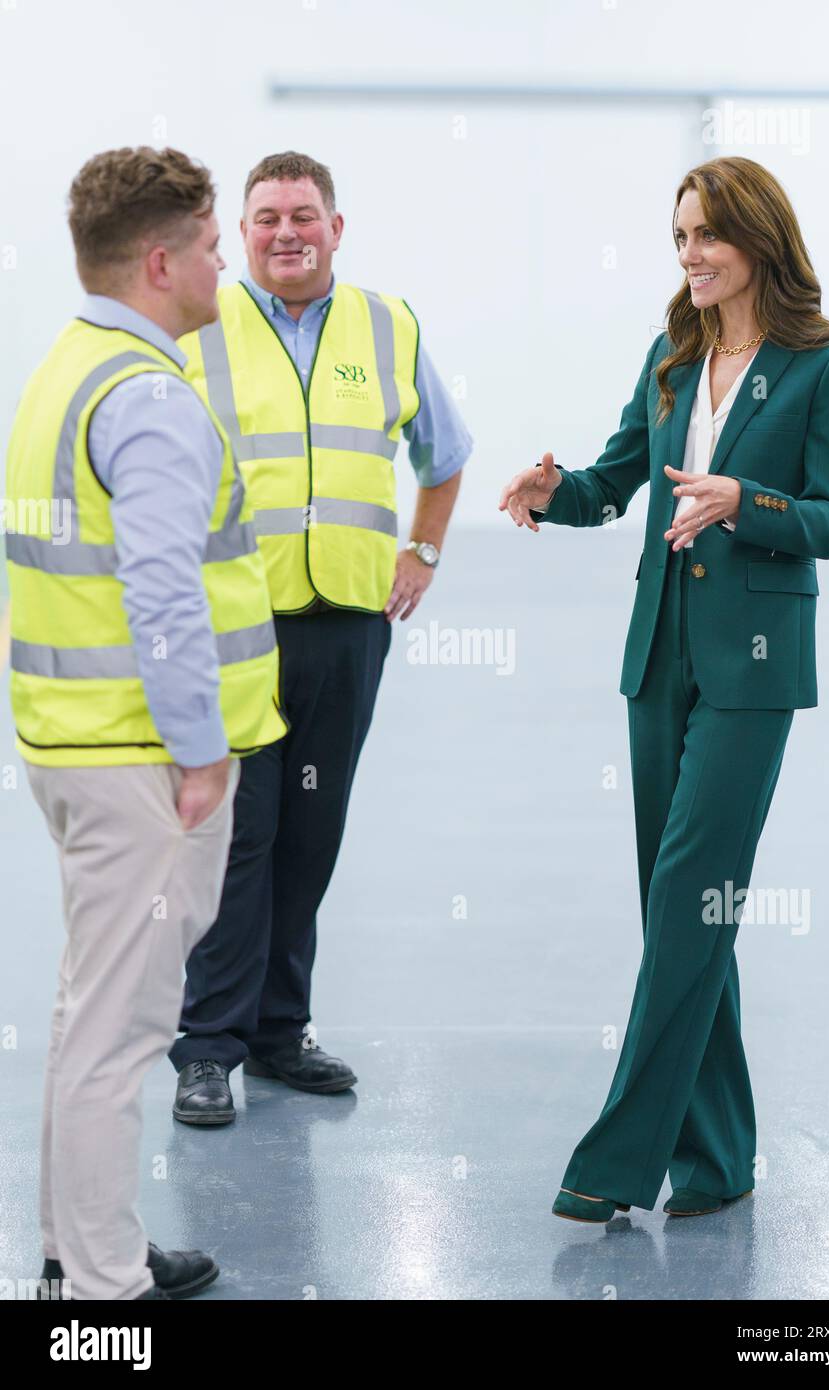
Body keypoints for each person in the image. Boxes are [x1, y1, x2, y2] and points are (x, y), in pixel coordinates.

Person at [499, 156, 829, 1219]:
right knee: (684, 914)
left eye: (705, 235)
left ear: (757, 239)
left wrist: (741, 499)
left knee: (685, 901)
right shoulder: (671, 357)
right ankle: (717, 1160)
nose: (689, 255)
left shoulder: (827, 363)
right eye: (678, 238)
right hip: (658, 657)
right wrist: (552, 492)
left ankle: (613, 1162)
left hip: (753, 671)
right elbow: (615, 482)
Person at [5, 146, 287, 1298]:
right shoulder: (151, 395)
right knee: (121, 1035)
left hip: (73, 743)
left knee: (90, 1012)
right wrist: (202, 750)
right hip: (139, 757)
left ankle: (83, 1248)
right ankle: (105, 1294)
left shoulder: (64, 368)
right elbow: (162, 590)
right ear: (161, 260)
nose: (227, 262)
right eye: (217, 243)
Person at [169, 151, 472, 1123]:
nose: (286, 231)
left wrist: (420, 549)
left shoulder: (387, 326)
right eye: (266, 217)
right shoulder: (197, 330)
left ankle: (277, 1030)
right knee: (235, 837)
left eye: (304, 214)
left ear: (337, 228)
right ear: (241, 233)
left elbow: (446, 454)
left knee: (309, 834)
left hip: (346, 627)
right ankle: (206, 1047)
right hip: (234, 629)